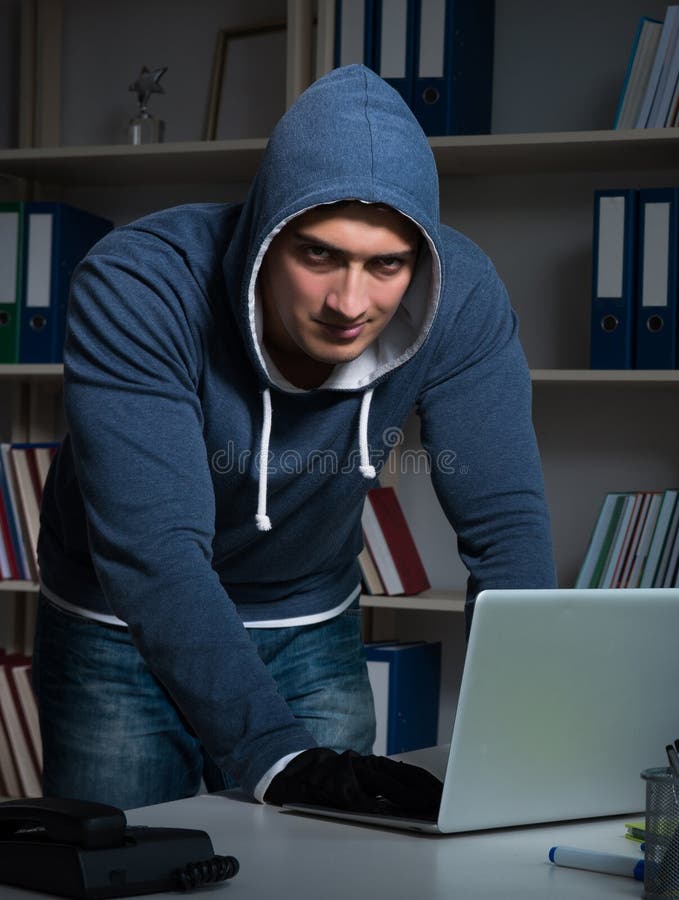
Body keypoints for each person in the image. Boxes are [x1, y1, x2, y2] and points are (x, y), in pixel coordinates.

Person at [33, 65, 557, 812]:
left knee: (324, 869)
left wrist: (531, 732)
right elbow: (153, 552)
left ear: (420, 258)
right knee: (125, 866)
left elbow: (504, 525)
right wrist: (271, 754)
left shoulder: (462, 297)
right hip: (116, 624)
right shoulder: (140, 285)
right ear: (264, 233)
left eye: (386, 265)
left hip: (306, 618)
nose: (350, 302)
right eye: (318, 255)